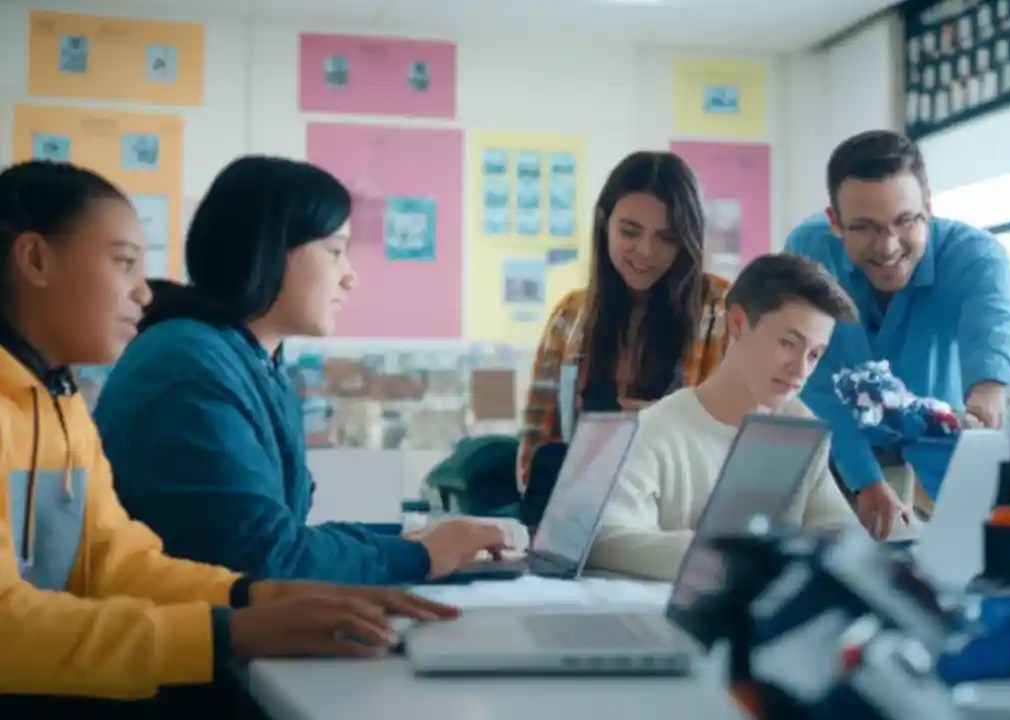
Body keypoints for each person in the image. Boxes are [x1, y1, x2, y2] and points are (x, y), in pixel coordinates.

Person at [0, 160, 456, 710]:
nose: (144, 294)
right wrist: (228, 630)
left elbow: (115, 562)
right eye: (123, 264)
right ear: (36, 260)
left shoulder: (57, 400)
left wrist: (249, 595)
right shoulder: (184, 362)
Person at [92, 156, 506, 585]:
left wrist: (415, 541)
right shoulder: (188, 365)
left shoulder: (251, 359)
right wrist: (418, 555)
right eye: (335, 252)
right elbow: (266, 559)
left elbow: (281, 537)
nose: (350, 278)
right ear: (268, 250)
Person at [784, 130, 1010, 539]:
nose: (888, 246)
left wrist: (986, 395)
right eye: (864, 227)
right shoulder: (810, 252)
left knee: (981, 546)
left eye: (904, 221)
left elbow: (994, 328)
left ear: (928, 206)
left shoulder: (976, 256)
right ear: (835, 222)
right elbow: (814, 378)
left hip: (939, 439)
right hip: (836, 442)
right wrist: (865, 480)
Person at [588, 253, 860, 581]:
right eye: (789, 343)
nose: (801, 369)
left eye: (815, 354)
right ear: (737, 324)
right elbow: (605, 539)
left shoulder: (800, 426)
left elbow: (842, 539)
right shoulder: (657, 430)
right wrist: (731, 559)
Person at [517, 151, 730, 517]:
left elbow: (727, 438)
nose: (645, 251)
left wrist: (650, 423)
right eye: (630, 232)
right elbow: (537, 446)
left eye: (667, 237)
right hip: (576, 518)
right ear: (604, 225)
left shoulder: (721, 310)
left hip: (674, 519)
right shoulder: (571, 316)